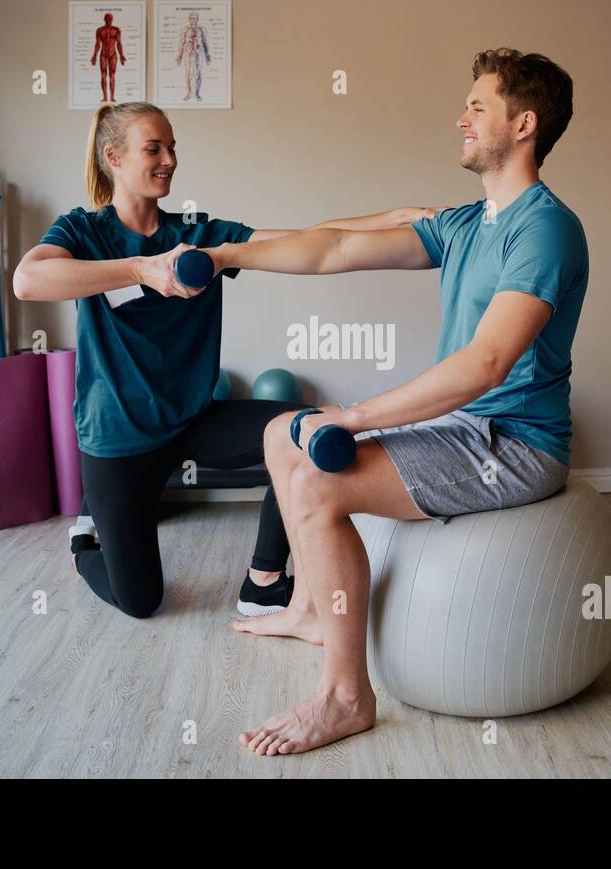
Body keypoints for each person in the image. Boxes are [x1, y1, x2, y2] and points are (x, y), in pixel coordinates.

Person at [208, 48, 587, 755]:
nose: (461, 117)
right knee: (279, 436)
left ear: (524, 123)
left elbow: (486, 362)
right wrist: (233, 254)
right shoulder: (468, 224)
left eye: (478, 105)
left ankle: (346, 697)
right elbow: (337, 248)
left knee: (320, 479)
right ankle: (309, 610)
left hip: (513, 443)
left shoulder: (547, 229)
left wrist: (353, 417)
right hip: (465, 427)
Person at [13, 101, 433, 619]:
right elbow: (29, 280)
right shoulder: (84, 231)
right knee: (141, 602)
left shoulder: (196, 234)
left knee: (302, 431)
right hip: (118, 439)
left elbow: (304, 240)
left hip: (191, 419)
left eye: (172, 147)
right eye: (154, 148)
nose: (169, 158)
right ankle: (84, 544)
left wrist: (390, 219)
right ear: (113, 156)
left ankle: (262, 582)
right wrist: (140, 270)